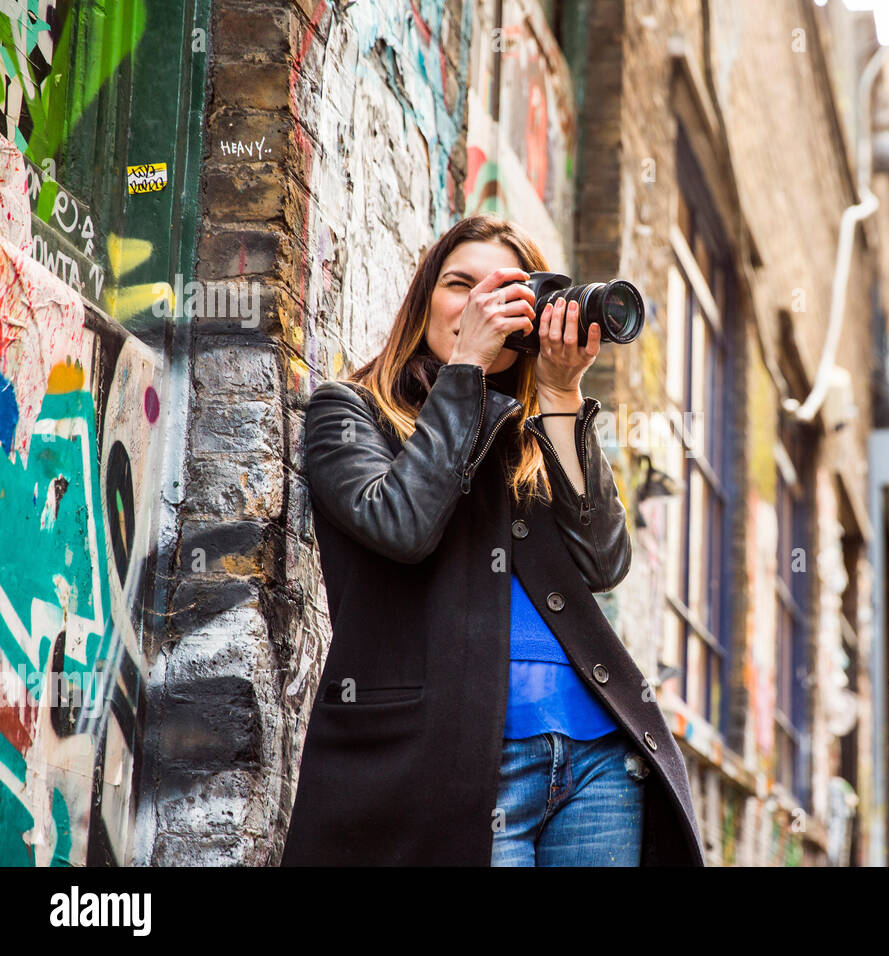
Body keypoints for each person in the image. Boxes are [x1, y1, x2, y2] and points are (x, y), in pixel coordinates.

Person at [280, 214, 705, 866]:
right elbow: (403, 527)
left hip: (599, 760)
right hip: (464, 761)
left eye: (506, 290)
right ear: (423, 301)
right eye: (460, 284)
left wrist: (561, 394)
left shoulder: (528, 433)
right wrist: (468, 367)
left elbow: (604, 560)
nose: (481, 303)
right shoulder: (350, 412)